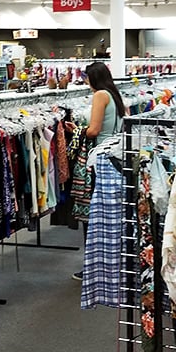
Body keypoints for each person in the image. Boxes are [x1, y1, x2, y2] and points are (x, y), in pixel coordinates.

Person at [69, 61, 127, 280]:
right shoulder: (115, 95)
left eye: (86, 78)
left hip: (99, 159)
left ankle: (93, 267)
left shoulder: (100, 95)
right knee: (109, 215)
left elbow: (93, 130)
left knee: (93, 216)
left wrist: (78, 131)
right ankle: (111, 264)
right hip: (115, 157)